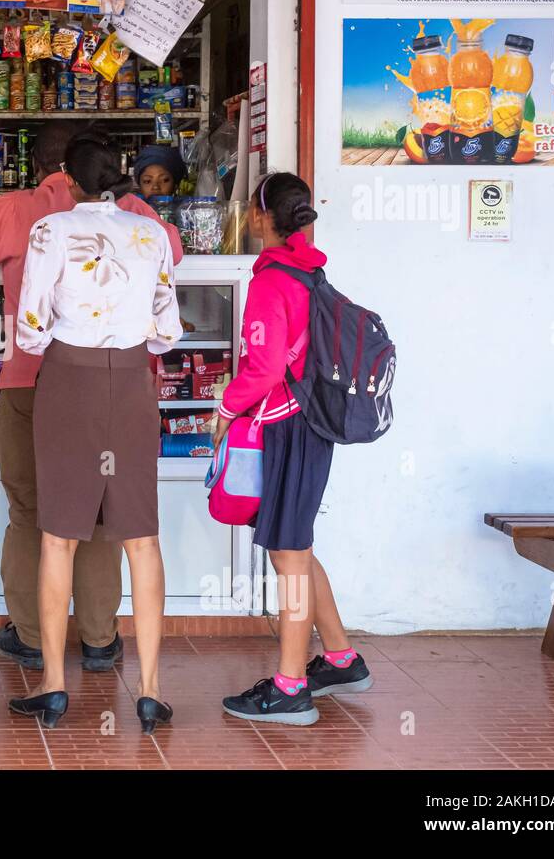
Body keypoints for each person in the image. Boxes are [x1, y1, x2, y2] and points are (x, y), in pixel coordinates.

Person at [0, 122, 183, 675]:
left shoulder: (18, 211)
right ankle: (102, 640)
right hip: (120, 384)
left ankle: (34, 639)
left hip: (33, 385)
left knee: (35, 513)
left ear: (55, 170)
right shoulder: (137, 216)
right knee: (108, 516)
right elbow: (174, 255)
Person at [8, 136, 181, 733]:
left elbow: (30, 327)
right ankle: (152, 691)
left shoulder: (49, 231)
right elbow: (168, 329)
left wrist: (66, 337)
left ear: (68, 178)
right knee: (142, 538)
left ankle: (55, 687)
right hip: (133, 382)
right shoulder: (151, 233)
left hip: (68, 381)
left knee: (59, 537)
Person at [218, 172, 372, 726]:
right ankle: (341, 659)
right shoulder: (311, 272)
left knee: (288, 556)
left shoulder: (270, 282)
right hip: (314, 425)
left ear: (261, 217)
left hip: (286, 427)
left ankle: (289, 688)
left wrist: (225, 409)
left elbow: (262, 370)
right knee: (297, 548)